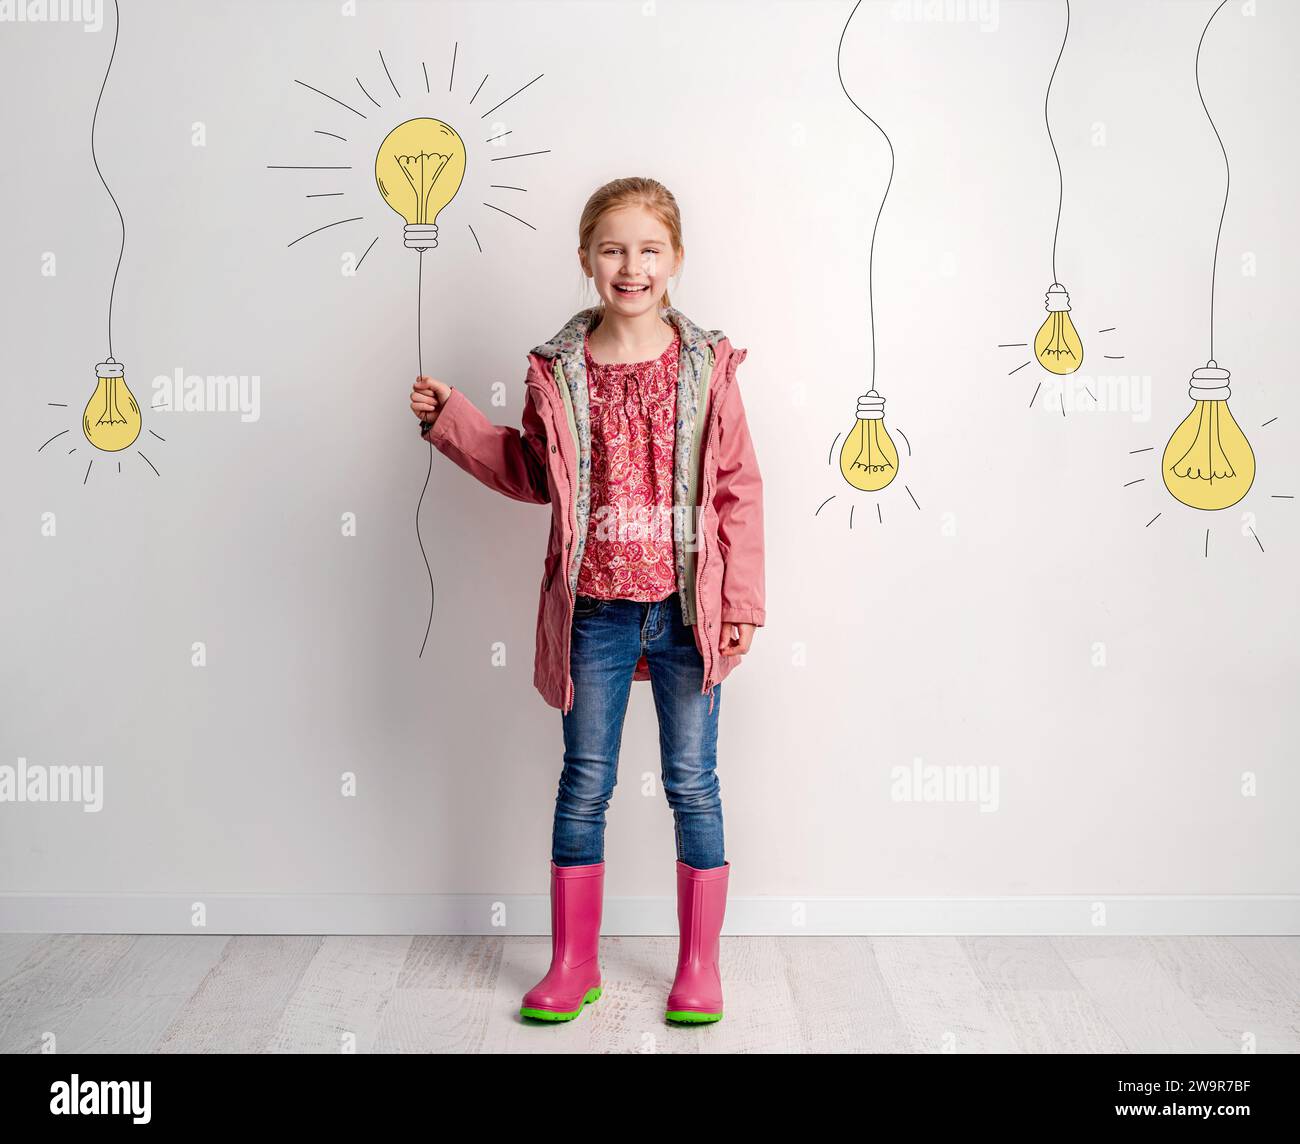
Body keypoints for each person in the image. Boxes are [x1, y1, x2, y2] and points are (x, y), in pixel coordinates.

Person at [408, 176, 765, 1024]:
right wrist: (452, 421)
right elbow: (536, 473)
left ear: (675, 261)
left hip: (688, 607)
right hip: (595, 608)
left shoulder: (707, 366)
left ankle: (699, 969)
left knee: (693, 782)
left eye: (648, 249)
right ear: (586, 261)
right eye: (613, 249)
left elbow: (737, 488)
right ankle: (573, 965)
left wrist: (742, 597)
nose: (630, 266)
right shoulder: (560, 370)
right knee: (585, 783)